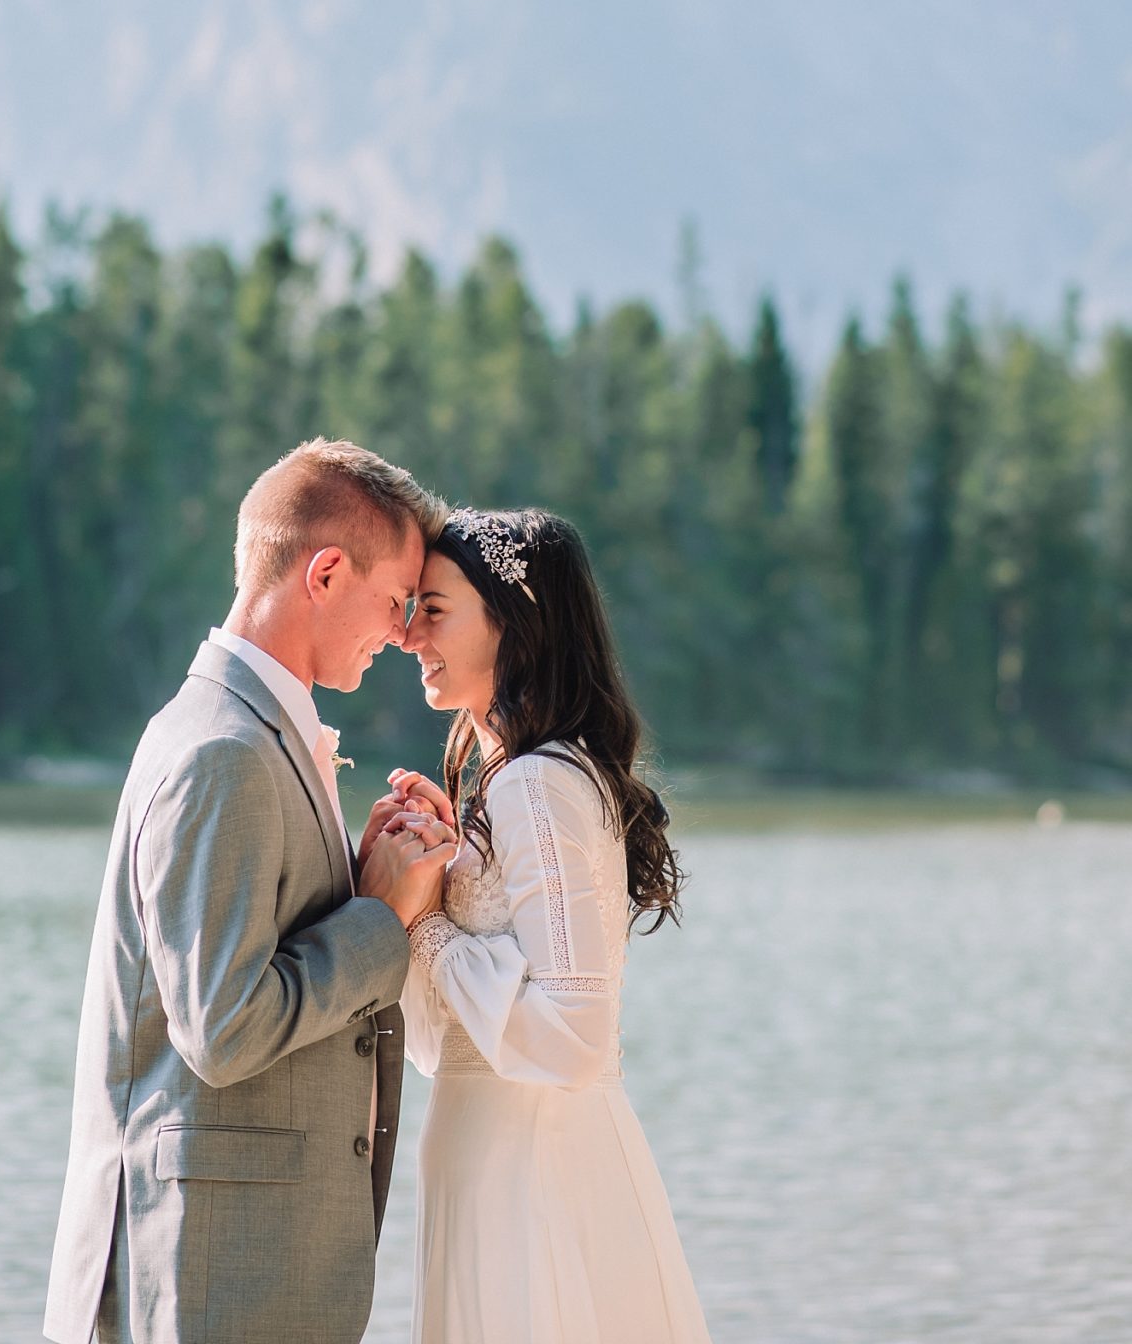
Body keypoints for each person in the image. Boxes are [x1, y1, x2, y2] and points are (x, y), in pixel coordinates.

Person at [43, 438, 456, 1344]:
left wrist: (362, 872)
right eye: (396, 600)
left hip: (235, 1266)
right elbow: (223, 1028)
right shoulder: (224, 751)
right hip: (208, 1279)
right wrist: (378, 919)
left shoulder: (239, 729)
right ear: (326, 573)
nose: (402, 633)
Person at [389, 505, 714, 1344]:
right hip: (494, 1147)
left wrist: (423, 924)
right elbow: (444, 1034)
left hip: (527, 1167)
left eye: (433, 609)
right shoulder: (522, 778)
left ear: (512, 620)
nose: (407, 634)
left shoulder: (535, 783)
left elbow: (572, 1033)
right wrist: (442, 864)